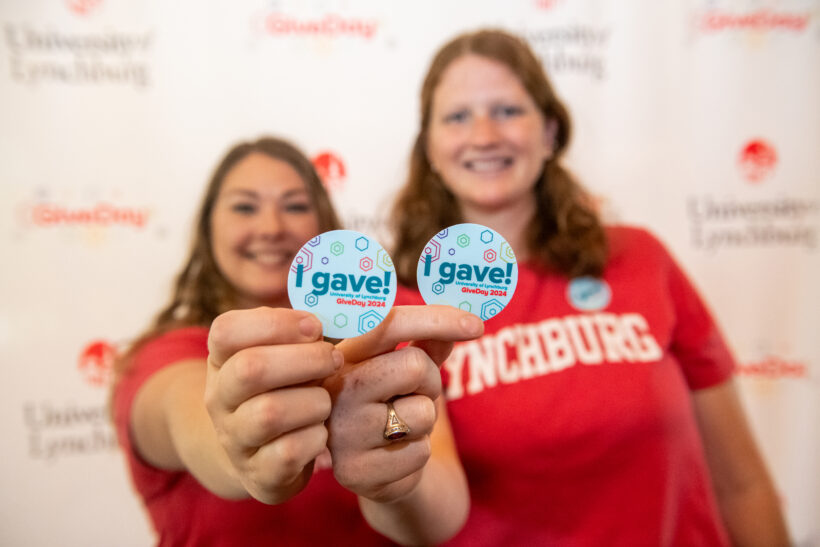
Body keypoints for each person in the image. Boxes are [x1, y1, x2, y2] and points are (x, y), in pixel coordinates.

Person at [390, 29, 791, 546]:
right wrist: (384, 473)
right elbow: (430, 513)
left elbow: (743, 484)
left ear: (550, 132)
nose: (484, 134)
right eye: (458, 116)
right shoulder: (410, 312)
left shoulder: (642, 259)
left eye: (508, 111)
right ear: (430, 149)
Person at [111, 136, 482, 546]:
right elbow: (186, 420)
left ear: (322, 225)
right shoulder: (164, 358)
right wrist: (239, 449)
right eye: (244, 207)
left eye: (295, 206)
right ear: (207, 227)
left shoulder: (377, 341)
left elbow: (442, 517)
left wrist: (392, 480)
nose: (271, 228)